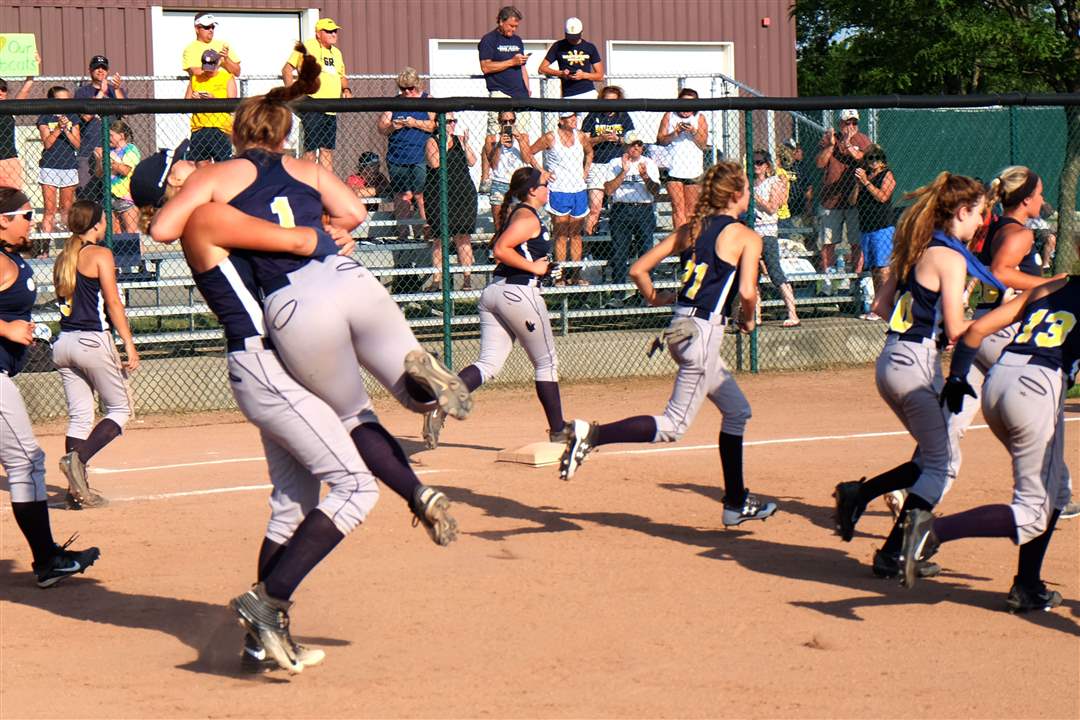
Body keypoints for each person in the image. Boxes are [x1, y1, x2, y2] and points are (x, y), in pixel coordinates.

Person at [145, 50, 465, 560]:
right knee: (386, 406)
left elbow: (163, 229)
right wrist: (332, 231)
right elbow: (356, 212)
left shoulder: (215, 183)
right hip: (347, 279)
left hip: (289, 312)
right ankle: (424, 403)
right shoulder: (305, 167)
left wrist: (191, 196)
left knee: (348, 432)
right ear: (283, 134)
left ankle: (269, 605)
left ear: (236, 134)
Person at [133, 144, 379, 672]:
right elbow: (293, 235)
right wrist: (327, 237)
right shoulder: (208, 216)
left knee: (293, 505)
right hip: (266, 363)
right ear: (173, 189)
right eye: (180, 169)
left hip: (272, 362)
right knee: (357, 487)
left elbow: (285, 228)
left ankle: (257, 639)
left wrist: (331, 230)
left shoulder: (218, 209)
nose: (196, 166)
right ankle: (266, 605)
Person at [558, 161, 779, 528]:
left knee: (737, 411)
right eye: (745, 189)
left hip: (679, 326)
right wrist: (749, 317)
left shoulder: (692, 229)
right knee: (673, 425)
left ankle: (735, 502)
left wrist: (657, 297)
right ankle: (593, 434)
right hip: (703, 333)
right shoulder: (746, 236)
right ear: (737, 195)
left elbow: (638, 269)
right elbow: (746, 291)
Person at [831, 172, 1001, 580]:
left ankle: (862, 496)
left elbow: (879, 305)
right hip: (916, 366)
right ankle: (895, 553)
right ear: (960, 212)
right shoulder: (952, 258)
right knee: (942, 464)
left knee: (931, 456)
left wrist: (928, 317)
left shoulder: (917, 248)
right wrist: (1003, 316)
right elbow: (962, 331)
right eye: (978, 214)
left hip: (891, 358)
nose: (981, 223)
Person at [901, 271, 1077, 608]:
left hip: (999, 380)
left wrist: (956, 379)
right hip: (1039, 388)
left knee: (1057, 488)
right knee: (1031, 513)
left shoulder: (1051, 286)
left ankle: (1028, 585)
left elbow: (977, 330)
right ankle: (932, 530)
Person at [420, 167, 567, 450]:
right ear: (532, 191)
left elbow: (513, 252)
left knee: (488, 364)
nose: (548, 188)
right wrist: (534, 268)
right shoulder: (527, 216)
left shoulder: (522, 213)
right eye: (544, 185)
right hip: (518, 294)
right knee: (547, 363)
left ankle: (440, 404)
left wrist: (542, 269)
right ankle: (559, 431)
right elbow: (501, 249)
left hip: (498, 292)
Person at [0, 187, 101, 587]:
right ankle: (47, 559)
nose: (30, 221)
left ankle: (48, 557)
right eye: (25, 215)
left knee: (27, 461)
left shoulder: (10, 258)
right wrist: (6, 327)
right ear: (2, 220)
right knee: (26, 461)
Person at [50, 200, 139, 509]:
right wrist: (128, 342)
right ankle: (78, 460)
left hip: (63, 344)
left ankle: (78, 490)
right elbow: (113, 303)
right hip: (91, 341)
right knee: (120, 409)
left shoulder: (63, 257)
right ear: (98, 224)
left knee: (80, 417)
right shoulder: (100, 254)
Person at [531, 111, 592, 285]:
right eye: (570, 117)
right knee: (561, 235)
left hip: (578, 190)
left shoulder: (580, 136)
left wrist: (586, 170)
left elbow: (589, 152)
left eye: (575, 117)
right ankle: (561, 276)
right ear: (561, 120)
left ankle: (576, 275)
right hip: (558, 190)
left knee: (576, 235)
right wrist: (542, 172)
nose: (574, 120)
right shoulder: (551, 137)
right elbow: (529, 152)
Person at [282, 18, 351, 170]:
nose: (333, 34)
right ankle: (308, 184)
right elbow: (287, 69)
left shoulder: (337, 53)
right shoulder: (308, 46)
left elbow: (342, 76)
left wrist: (346, 89)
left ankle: (325, 187)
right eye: (328, 31)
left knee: (327, 150)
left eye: (335, 31)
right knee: (310, 148)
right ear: (318, 34)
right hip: (312, 102)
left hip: (332, 107)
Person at [377, 67, 436, 241]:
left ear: (417, 85)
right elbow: (381, 127)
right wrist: (392, 127)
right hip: (398, 156)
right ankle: (403, 232)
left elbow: (434, 125)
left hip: (421, 155)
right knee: (401, 195)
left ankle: (426, 228)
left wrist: (414, 123)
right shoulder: (395, 102)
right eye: (403, 89)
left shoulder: (428, 100)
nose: (407, 92)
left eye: (411, 88)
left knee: (421, 194)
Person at [423, 113, 478, 290]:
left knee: (463, 237)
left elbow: (472, 161)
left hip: (462, 193)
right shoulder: (432, 141)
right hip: (439, 194)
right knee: (440, 237)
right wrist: (445, 142)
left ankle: (467, 279)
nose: (453, 124)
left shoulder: (459, 140)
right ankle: (437, 279)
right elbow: (435, 163)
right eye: (449, 121)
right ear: (439, 123)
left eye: (454, 121)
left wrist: (465, 144)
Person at [815, 109, 871, 280]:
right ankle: (828, 281)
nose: (852, 126)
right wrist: (832, 145)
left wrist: (847, 144)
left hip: (854, 200)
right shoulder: (830, 138)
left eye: (855, 123)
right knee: (828, 243)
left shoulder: (863, 139)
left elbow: (867, 160)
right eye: (848, 123)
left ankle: (857, 280)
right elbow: (820, 163)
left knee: (856, 243)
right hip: (830, 202)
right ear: (841, 124)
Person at [602, 131, 660, 285]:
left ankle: (645, 293)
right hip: (621, 209)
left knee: (646, 252)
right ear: (625, 145)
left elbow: (655, 191)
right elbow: (608, 190)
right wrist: (624, 172)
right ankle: (618, 293)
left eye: (639, 144)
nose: (636, 147)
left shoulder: (649, 163)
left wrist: (645, 177)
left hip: (644, 209)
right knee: (619, 252)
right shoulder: (614, 163)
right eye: (632, 144)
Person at [752, 150, 799, 327]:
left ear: (767, 166)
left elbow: (772, 208)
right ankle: (756, 316)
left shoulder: (774, 182)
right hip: (752, 234)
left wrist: (756, 199)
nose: (756, 166)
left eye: (759, 162)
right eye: (753, 163)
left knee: (775, 272)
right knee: (752, 276)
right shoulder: (750, 185)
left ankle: (792, 313)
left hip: (768, 233)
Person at [581, 85, 634, 238]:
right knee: (595, 208)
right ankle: (589, 244)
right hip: (597, 164)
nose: (610, 104)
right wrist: (601, 138)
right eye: (607, 100)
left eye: (614, 101)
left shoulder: (623, 116)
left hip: (617, 164)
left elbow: (632, 140)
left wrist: (618, 139)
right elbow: (584, 142)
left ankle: (621, 241)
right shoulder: (592, 116)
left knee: (620, 206)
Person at [854, 144, 896, 321]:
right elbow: (852, 200)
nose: (872, 162)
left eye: (876, 158)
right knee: (873, 269)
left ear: (882, 162)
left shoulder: (887, 175)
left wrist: (866, 182)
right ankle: (878, 307)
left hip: (882, 228)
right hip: (866, 227)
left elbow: (883, 196)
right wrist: (858, 185)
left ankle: (886, 306)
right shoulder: (865, 177)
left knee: (883, 269)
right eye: (869, 158)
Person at [656, 88, 709, 232]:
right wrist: (676, 133)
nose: (686, 109)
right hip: (674, 169)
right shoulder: (669, 115)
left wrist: (693, 131)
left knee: (691, 210)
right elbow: (661, 140)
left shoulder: (700, 118)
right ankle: (680, 242)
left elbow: (703, 144)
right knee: (677, 209)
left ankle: (691, 241)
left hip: (693, 170)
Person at [74, 55, 125, 200]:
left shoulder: (115, 91)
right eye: (97, 68)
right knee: (87, 198)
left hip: (114, 152)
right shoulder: (83, 92)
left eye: (103, 68)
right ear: (90, 70)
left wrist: (116, 89)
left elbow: (126, 111)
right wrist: (101, 93)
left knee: (113, 197)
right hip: (89, 152)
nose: (100, 71)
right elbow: (85, 116)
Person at [478, 5, 530, 141]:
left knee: (523, 135)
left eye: (516, 26)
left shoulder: (517, 40)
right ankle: (491, 162)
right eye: (511, 25)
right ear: (501, 21)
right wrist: (511, 62)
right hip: (500, 92)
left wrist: (527, 88)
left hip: (520, 94)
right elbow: (486, 67)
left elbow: (523, 67)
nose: (513, 29)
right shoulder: (489, 40)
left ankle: (522, 162)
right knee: (494, 136)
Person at [36, 86, 81, 237]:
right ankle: (44, 250)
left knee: (66, 208)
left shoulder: (73, 117)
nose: (65, 103)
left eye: (67, 100)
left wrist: (66, 129)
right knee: (50, 209)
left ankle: (69, 246)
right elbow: (47, 144)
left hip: (68, 166)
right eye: (61, 100)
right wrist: (58, 128)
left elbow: (77, 144)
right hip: (50, 166)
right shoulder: (45, 117)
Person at [483, 110, 540, 231]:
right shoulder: (491, 139)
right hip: (499, 183)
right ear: (499, 123)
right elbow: (493, 164)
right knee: (500, 226)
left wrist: (519, 139)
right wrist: (499, 145)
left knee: (518, 225)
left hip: (517, 184)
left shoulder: (523, 136)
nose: (508, 124)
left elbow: (527, 158)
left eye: (511, 121)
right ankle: (498, 248)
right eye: (505, 121)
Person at [185, 49, 236, 164]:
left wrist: (214, 99)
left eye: (211, 67)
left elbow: (232, 104)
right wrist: (194, 99)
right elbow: (185, 102)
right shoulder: (195, 78)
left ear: (218, 63)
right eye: (206, 67)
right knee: (200, 166)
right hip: (199, 128)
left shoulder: (227, 78)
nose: (208, 72)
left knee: (223, 166)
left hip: (220, 129)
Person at [538, 17, 604, 100]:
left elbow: (600, 76)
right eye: (570, 36)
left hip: (588, 94)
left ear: (582, 32)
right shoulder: (558, 46)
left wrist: (583, 75)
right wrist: (561, 74)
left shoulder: (590, 47)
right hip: (567, 94)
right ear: (565, 34)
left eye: (576, 36)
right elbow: (542, 69)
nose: (573, 39)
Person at [94, 120, 141, 233]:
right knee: (114, 233)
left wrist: (108, 158)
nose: (107, 138)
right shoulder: (108, 150)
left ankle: (135, 251)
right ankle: (117, 251)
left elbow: (125, 170)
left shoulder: (130, 149)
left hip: (126, 197)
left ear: (121, 136)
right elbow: (99, 174)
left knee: (131, 233)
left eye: (110, 135)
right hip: (110, 196)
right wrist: (100, 160)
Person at [0, 73, 35, 190]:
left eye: (3, 89)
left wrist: (31, 74)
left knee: (11, 198)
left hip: (8, 160)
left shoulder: (9, 109)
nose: (0, 92)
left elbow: (24, 93)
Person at [182, 12, 241, 78]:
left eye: (213, 27)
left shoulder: (223, 45)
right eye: (207, 27)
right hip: (204, 88)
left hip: (225, 88)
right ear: (197, 29)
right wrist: (217, 63)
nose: (211, 30)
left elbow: (237, 72)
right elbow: (195, 73)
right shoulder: (190, 49)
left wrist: (226, 59)